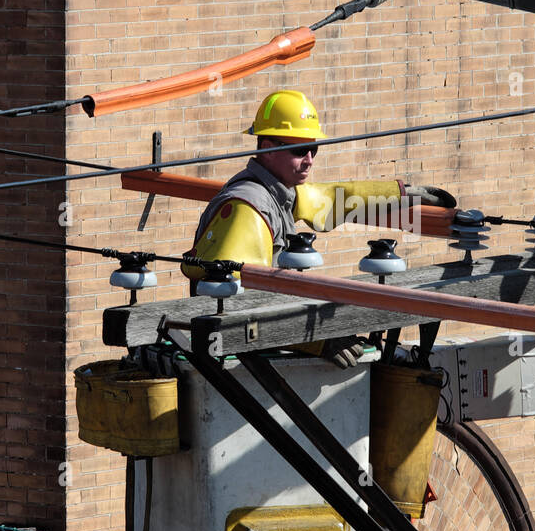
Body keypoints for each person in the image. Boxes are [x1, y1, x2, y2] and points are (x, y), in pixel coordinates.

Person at [183, 90, 454, 365]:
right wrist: (317, 341)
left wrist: (402, 194)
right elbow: (238, 307)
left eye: (314, 149)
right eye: (299, 150)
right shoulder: (249, 208)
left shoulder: (277, 192)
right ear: (266, 148)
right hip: (235, 368)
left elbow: (332, 198)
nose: (310, 159)